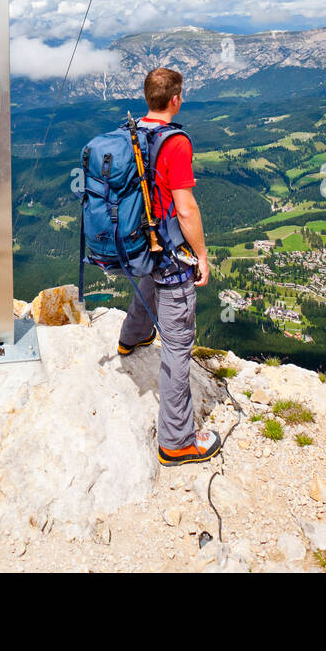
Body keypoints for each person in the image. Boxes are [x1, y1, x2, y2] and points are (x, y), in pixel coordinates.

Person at [117, 66, 221, 466]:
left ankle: (131, 337)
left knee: (149, 279)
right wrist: (201, 256)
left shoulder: (131, 132)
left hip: (141, 239)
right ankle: (176, 442)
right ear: (175, 99)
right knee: (178, 345)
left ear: (148, 98)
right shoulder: (174, 142)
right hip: (169, 246)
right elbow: (186, 208)